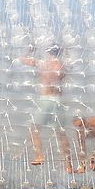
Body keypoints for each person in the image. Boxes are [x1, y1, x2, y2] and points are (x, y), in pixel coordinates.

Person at [19, 44, 73, 173]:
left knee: (34, 128)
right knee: (61, 134)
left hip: (45, 100)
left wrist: (30, 49)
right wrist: (66, 52)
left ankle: (40, 156)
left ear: (48, 52)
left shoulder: (44, 64)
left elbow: (22, 59)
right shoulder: (62, 66)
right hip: (59, 101)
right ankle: (68, 165)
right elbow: (70, 66)